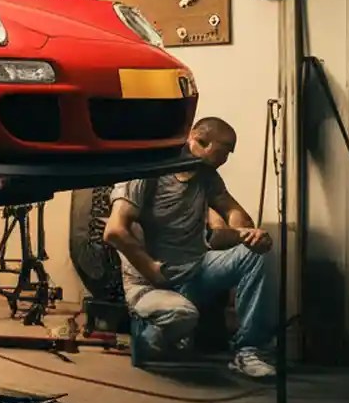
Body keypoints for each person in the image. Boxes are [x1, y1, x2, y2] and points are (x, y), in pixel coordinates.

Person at [103, 116, 277, 378]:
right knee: (182, 318)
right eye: (223, 153)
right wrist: (150, 269)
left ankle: (249, 351)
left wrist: (247, 235)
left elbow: (233, 211)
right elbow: (114, 231)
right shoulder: (147, 171)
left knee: (253, 257)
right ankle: (146, 332)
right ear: (199, 141)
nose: (225, 161)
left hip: (195, 270)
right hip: (152, 280)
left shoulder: (207, 176)